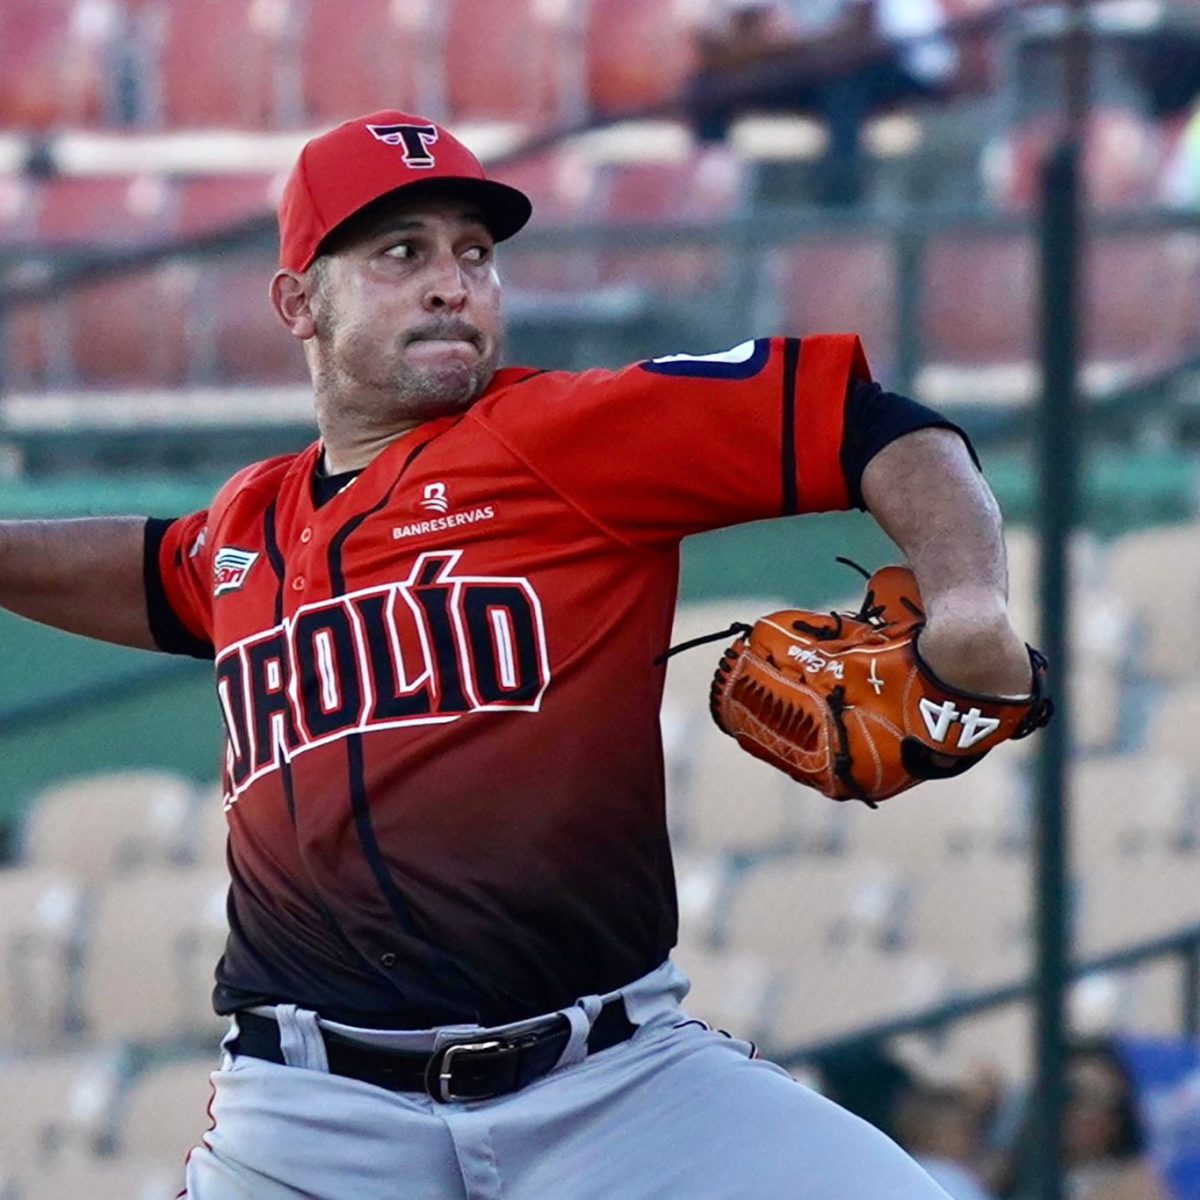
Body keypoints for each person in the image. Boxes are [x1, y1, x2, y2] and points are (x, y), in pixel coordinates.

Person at [0, 109, 1038, 1198]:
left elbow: (872, 423)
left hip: (617, 1091)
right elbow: (153, 566)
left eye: (476, 254)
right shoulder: (251, 526)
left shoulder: (570, 434)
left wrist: (968, 597)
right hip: (311, 1120)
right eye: (402, 253)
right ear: (298, 302)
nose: (452, 283)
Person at [689, 0, 958, 204]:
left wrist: (789, 44)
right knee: (714, 85)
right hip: (821, 67)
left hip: (905, 67)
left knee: (844, 84)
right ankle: (712, 172)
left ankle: (841, 197)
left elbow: (857, 35)